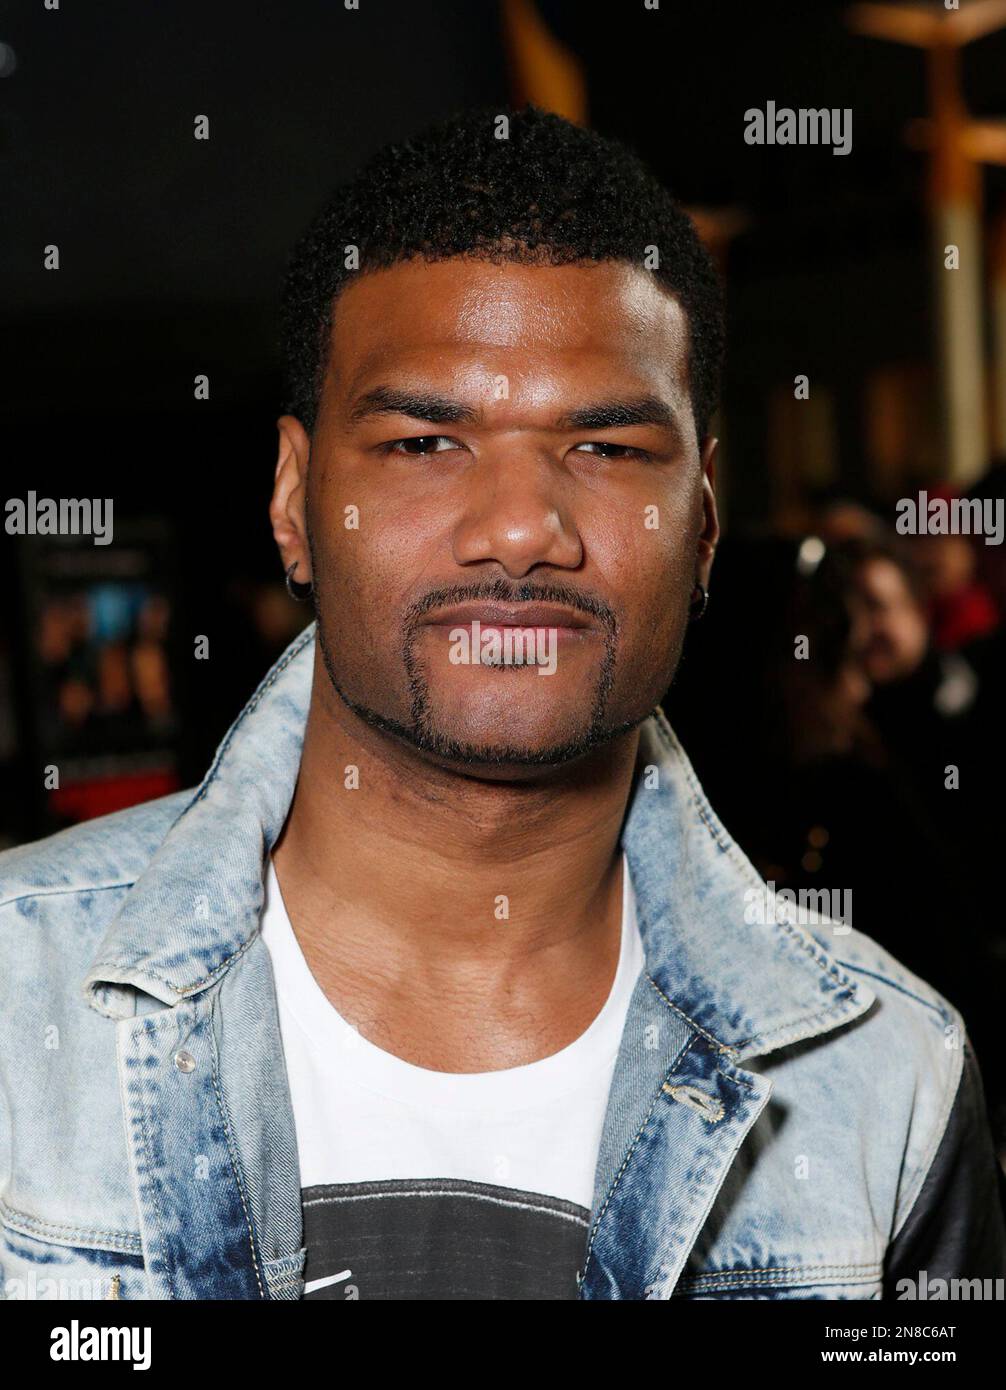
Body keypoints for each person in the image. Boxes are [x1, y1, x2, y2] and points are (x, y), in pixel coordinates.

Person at [1, 106, 1003, 1303]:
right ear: (294, 495)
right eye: (426, 442)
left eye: (610, 450)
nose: (522, 527)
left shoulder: (884, 1075)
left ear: (705, 519)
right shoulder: (20, 1003)